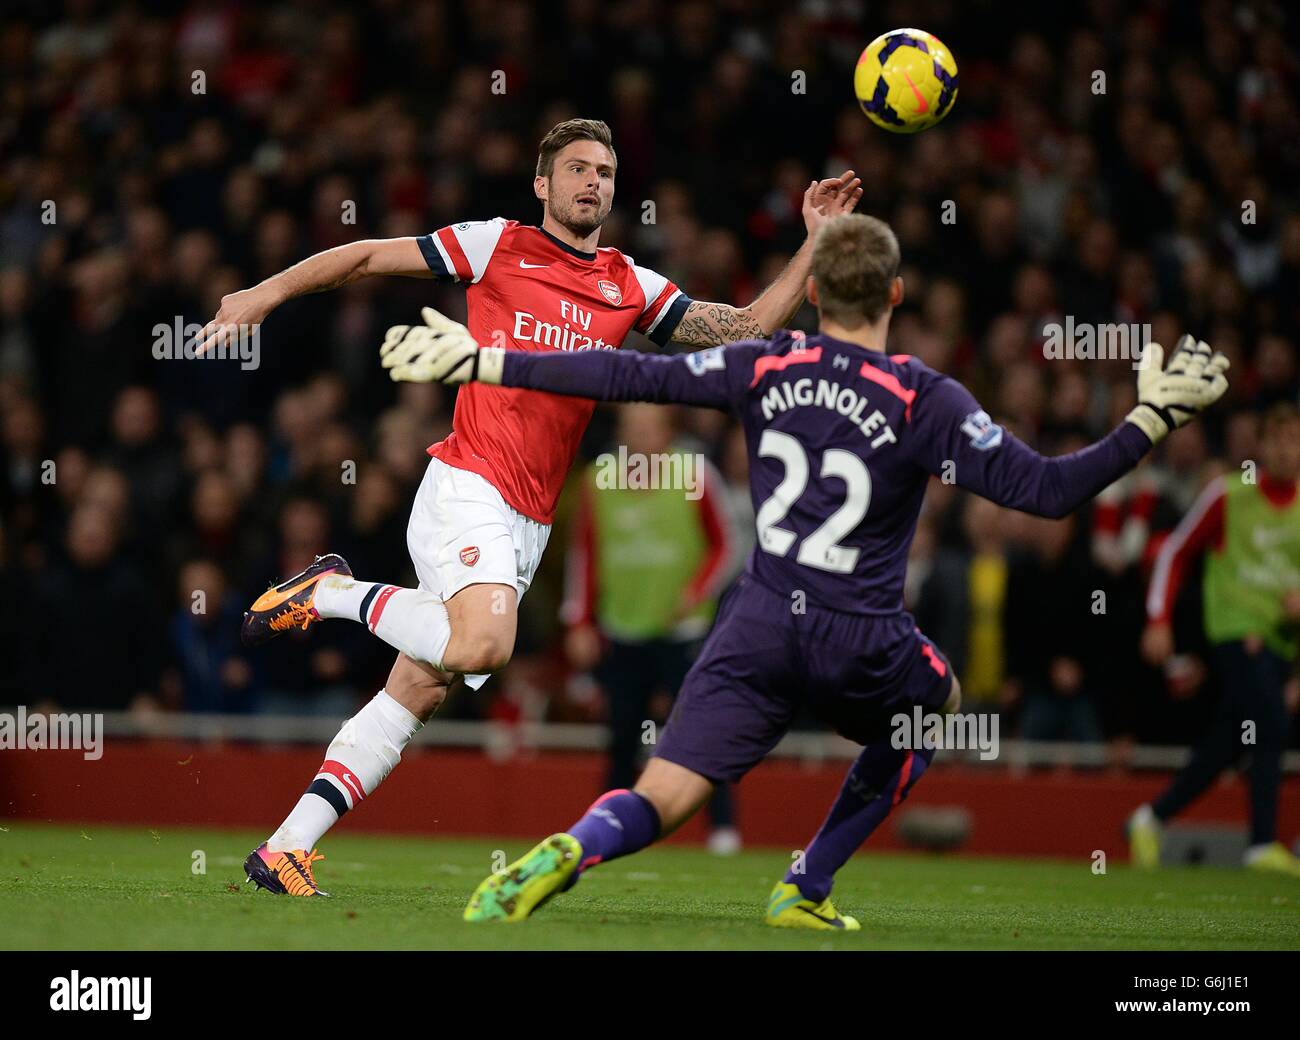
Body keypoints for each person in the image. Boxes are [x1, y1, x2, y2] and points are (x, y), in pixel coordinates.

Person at [384, 213, 1230, 927]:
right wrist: (1151, 419)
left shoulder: (765, 363)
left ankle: (577, 845)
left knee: (666, 795)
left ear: (817, 292)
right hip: (861, 633)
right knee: (935, 708)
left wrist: (482, 361)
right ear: (896, 294)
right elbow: (1046, 492)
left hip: (755, 625)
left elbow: (626, 373)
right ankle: (806, 884)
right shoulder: (923, 398)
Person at [201, 117, 863, 896]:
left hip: (529, 521)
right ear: (543, 185)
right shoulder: (495, 245)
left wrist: (818, 241)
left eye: (606, 173)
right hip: (468, 481)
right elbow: (368, 255)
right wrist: (267, 290)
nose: (594, 182)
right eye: (577, 169)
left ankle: (285, 847)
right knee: (484, 646)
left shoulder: (630, 285)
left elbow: (744, 328)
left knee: (419, 688)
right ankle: (332, 593)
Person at [1129, 403, 1300, 876]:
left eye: (1296, 440)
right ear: (1260, 447)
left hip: (1283, 644)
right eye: (1279, 439)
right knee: (1270, 721)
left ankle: (1150, 817)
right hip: (1237, 634)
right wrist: (1158, 618)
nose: (1288, 450)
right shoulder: (1228, 494)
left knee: (1227, 742)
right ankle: (1261, 844)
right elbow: (1174, 553)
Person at [563, 403, 739, 852]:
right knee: (622, 736)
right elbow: (584, 556)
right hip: (623, 628)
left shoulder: (696, 473)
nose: (641, 436)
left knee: (697, 730)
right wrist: (579, 621)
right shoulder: (599, 479)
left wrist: (695, 593)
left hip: (684, 633)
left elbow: (727, 546)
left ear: (668, 432)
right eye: (632, 428)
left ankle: (721, 828)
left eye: (650, 427)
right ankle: (602, 831)